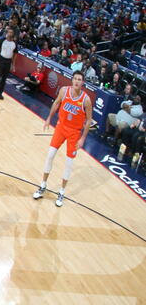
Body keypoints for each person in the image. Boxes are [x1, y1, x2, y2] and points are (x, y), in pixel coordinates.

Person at [33, 71, 93, 207]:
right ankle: (43, 185)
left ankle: (62, 191)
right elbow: (56, 103)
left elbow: (89, 120)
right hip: (61, 127)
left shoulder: (86, 99)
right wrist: (49, 118)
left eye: (80, 79)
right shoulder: (64, 91)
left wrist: (83, 138)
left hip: (74, 132)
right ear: (72, 80)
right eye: (75, 79)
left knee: (69, 163)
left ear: (83, 83)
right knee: (50, 156)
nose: (77, 81)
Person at [0, 28, 17, 100]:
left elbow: (15, 55)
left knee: (4, 79)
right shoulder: (2, 40)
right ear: (7, 33)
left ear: (13, 34)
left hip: (8, 61)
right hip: (1, 60)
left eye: (11, 32)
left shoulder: (15, 43)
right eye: (9, 32)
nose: (10, 34)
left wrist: (13, 65)